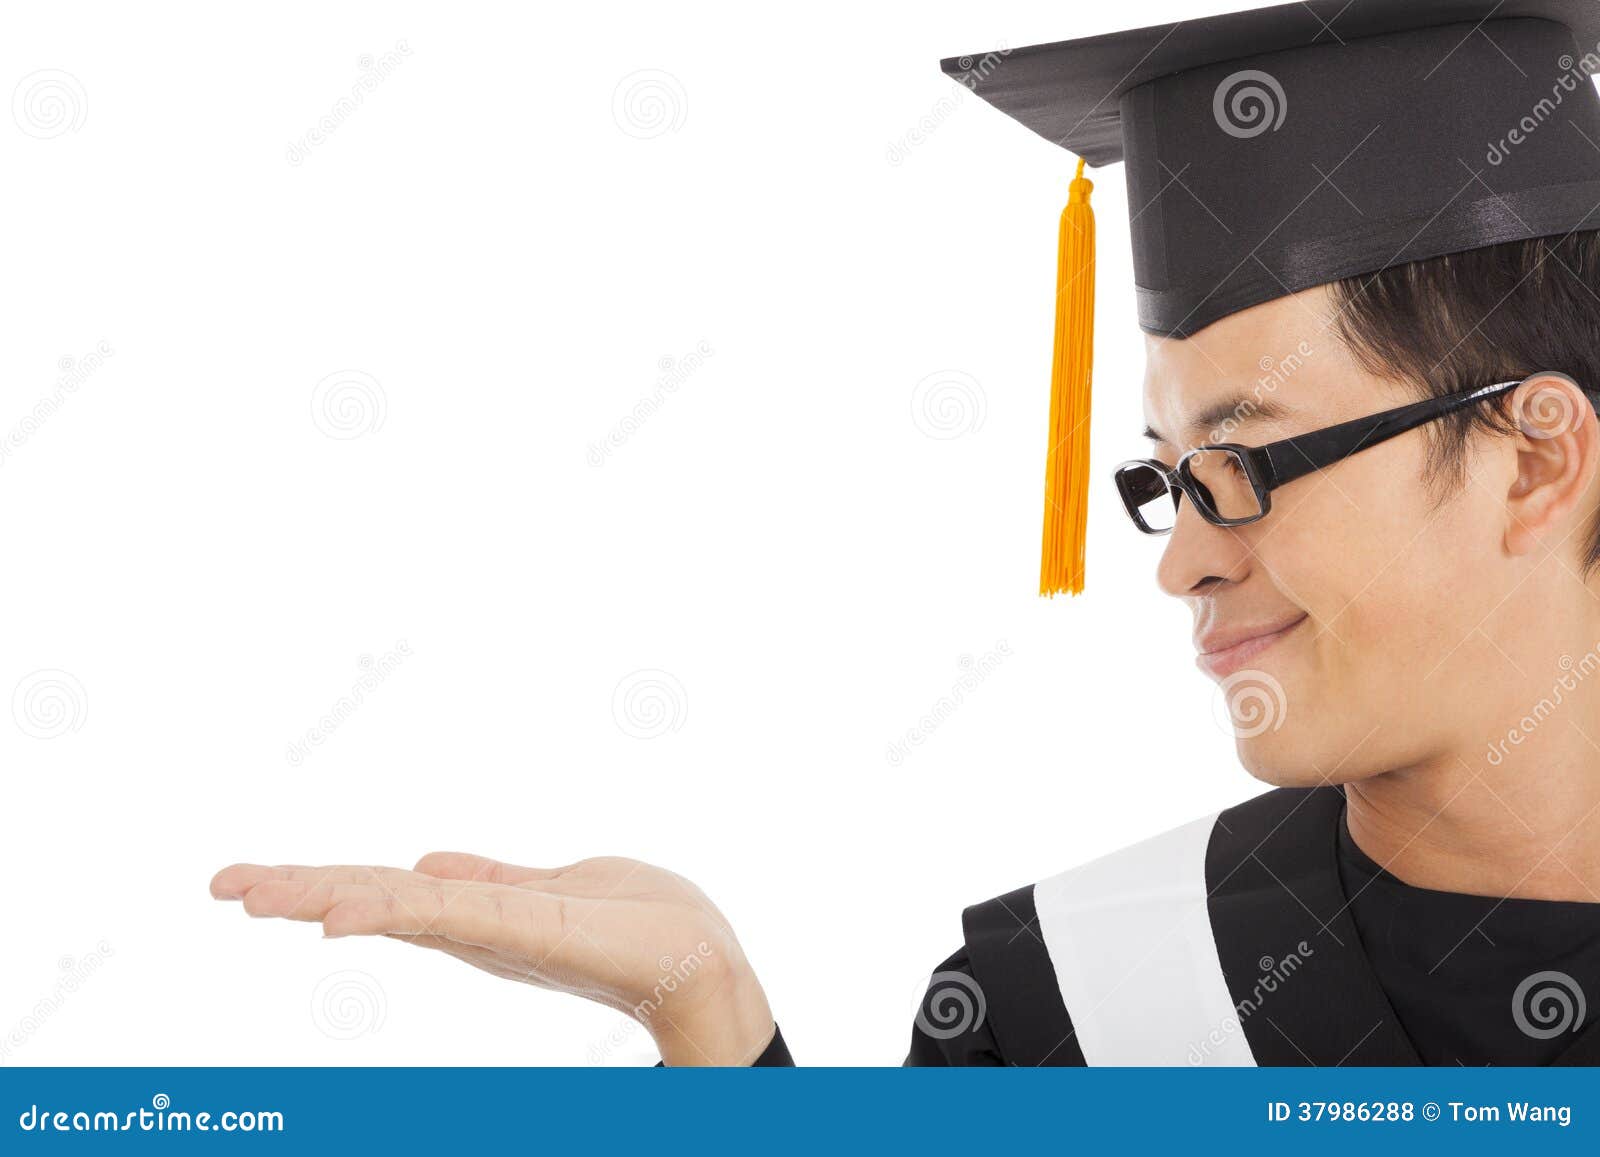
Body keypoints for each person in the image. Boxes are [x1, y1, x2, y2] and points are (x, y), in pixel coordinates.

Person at [211, 0, 1600, 1065]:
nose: (1182, 560)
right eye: (1168, 479)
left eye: (1243, 465)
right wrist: (713, 1025)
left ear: (1536, 460)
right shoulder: (1070, 1007)